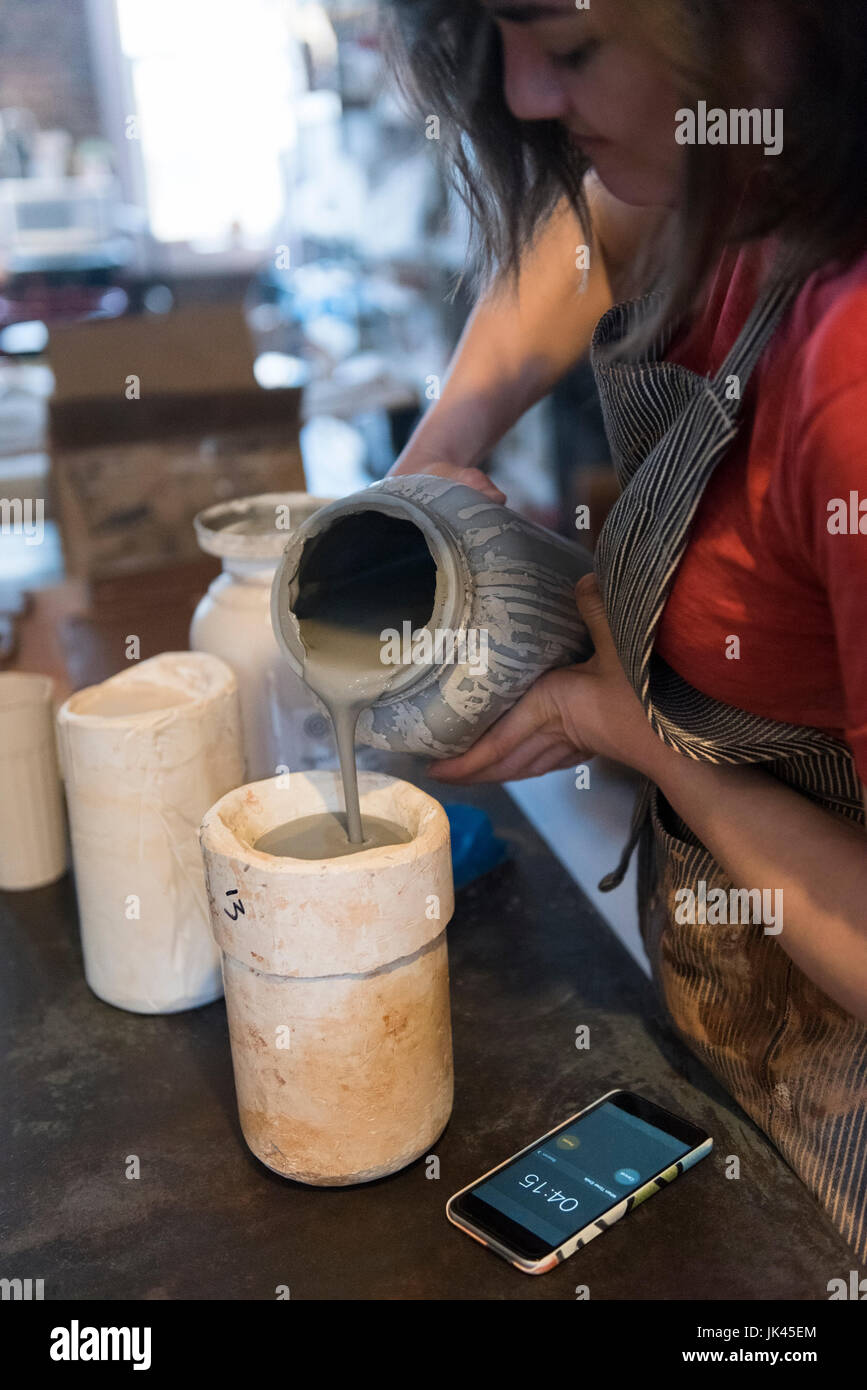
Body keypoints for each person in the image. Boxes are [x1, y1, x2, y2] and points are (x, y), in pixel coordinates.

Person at [382, 0, 867, 1260]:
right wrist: (434, 459)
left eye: (576, 47)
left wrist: (644, 738)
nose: (529, 96)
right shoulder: (728, 173)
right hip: (736, 1018)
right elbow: (605, 222)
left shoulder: (853, 367)